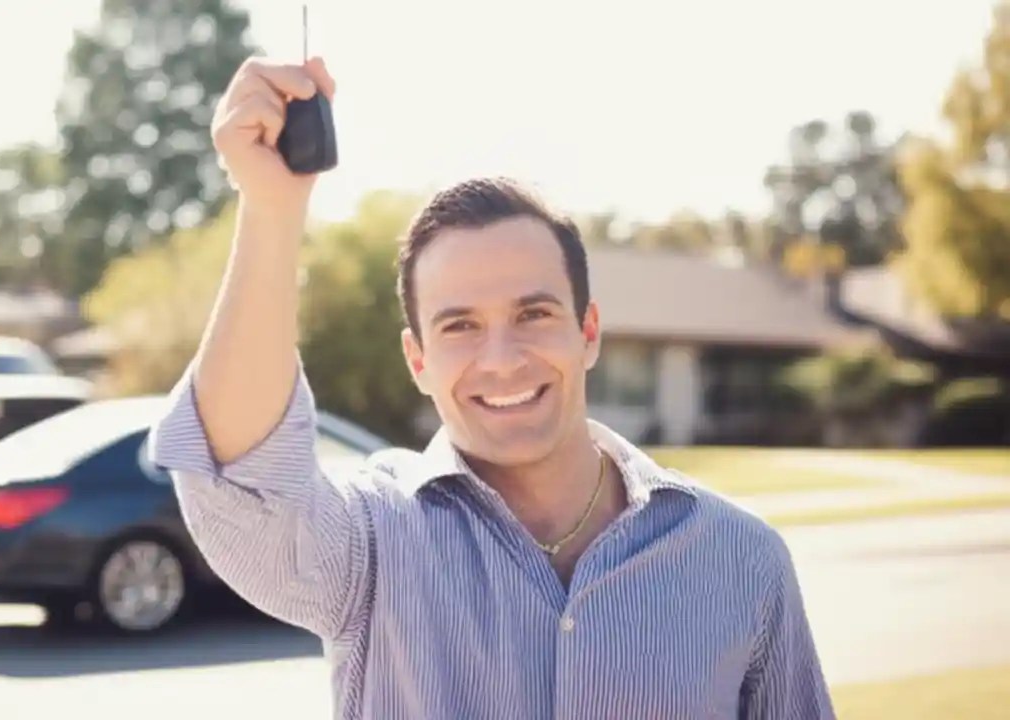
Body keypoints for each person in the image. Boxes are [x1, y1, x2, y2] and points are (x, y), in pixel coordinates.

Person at [147, 56, 836, 719]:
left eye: (532, 315)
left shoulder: (741, 559)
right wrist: (271, 207)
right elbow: (243, 478)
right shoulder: (376, 545)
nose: (502, 360)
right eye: (460, 327)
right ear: (417, 361)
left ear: (588, 332)